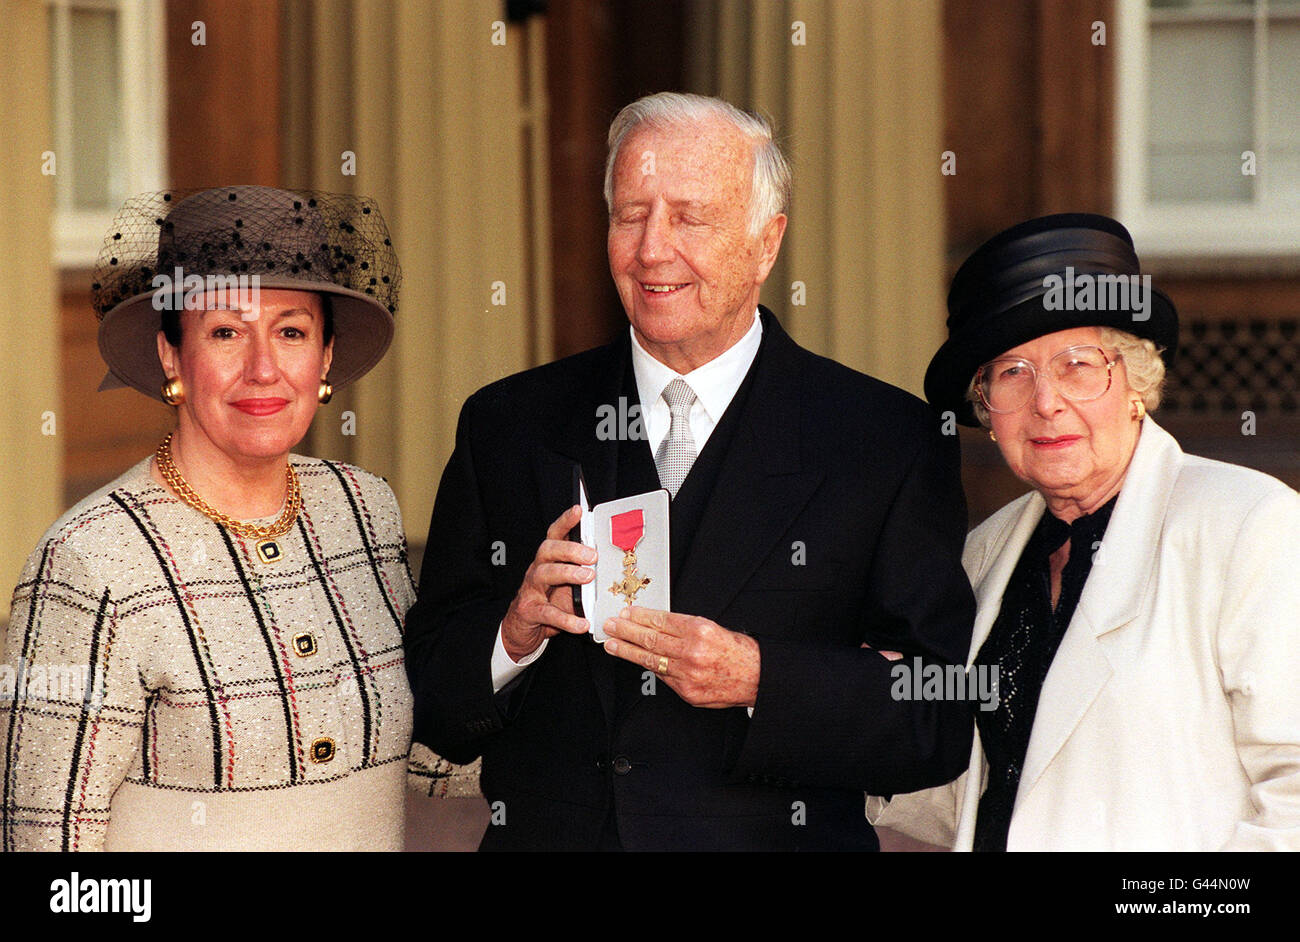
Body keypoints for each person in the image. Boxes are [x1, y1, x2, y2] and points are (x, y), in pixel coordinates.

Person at [404, 92, 976, 851]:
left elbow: (933, 721)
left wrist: (762, 678)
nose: (651, 249)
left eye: (691, 217)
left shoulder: (884, 440)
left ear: (766, 243)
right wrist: (513, 635)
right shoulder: (510, 424)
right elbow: (436, 705)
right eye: (631, 214)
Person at [1, 186, 418, 851]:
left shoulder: (363, 511)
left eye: (291, 331)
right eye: (225, 331)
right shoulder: (91, 558)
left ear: (327, 357)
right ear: (172, 356)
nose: (262, 369)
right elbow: (44, 847)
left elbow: (433, 763)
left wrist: (514, 640)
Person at [872, 213, 1300, 850]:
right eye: (1012, 373)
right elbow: (985, 798)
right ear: (986, 409)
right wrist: (861, 706)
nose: (1046, 401)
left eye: (1077, 364)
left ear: (1134, 381)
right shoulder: (984, 553)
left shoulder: (1246, 524)